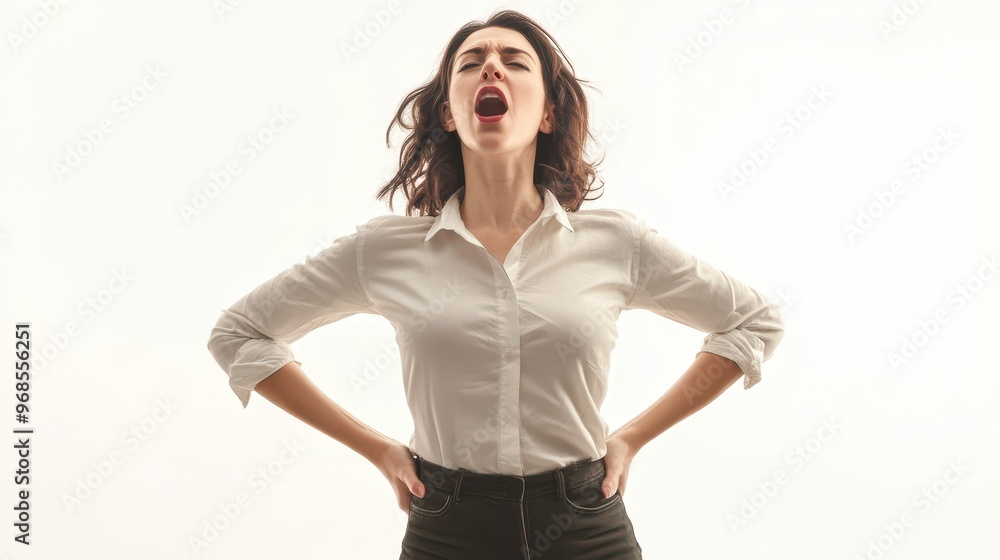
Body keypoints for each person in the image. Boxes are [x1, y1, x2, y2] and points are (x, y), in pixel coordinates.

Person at [206, 9, 784, 560]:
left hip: (586, 523)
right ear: (449, 115)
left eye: (515, 59)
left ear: (548, 114)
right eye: (471, 61)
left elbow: (753, 321)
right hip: (448, 529)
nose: (491, 66)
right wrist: (377, 448)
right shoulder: (384, 251)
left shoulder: (614, 244)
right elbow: (240, 334)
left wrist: (631, 437)